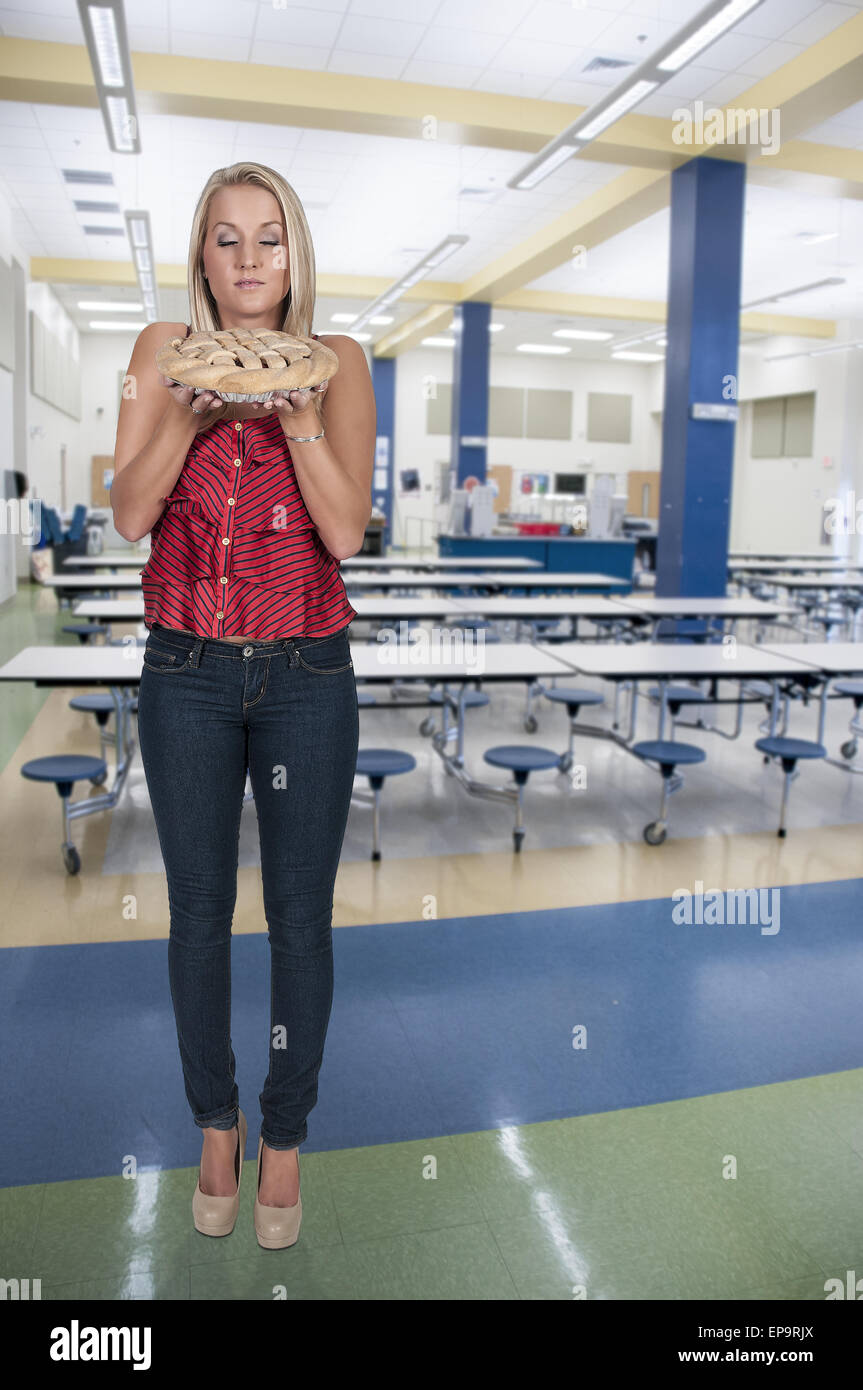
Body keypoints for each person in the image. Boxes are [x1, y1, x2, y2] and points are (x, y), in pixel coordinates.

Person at [111, 161, 375, 1248]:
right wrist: (190, 405)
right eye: (228, 238)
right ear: (203, 255)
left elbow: (348, 532)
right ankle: (212, 1124)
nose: (251, 257)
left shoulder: (341, 362)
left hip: (306, 674)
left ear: (295, 251)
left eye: (270, 236)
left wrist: (301, 413)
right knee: (197, 916)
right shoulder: (156, 354)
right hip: (185, 672)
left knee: (300, 925)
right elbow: (130, 511)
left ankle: (283, 1137)